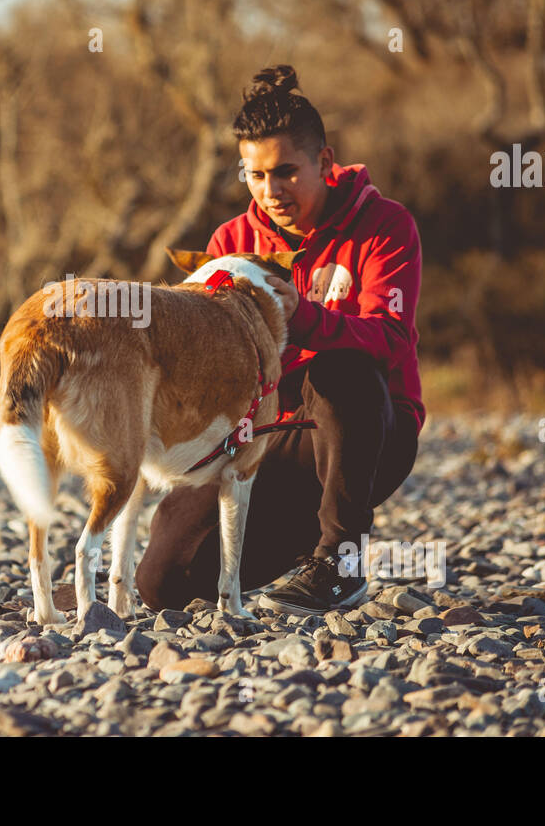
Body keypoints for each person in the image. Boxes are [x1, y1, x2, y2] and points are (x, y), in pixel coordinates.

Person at [135, 65, 425, 617]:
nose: (271, 191)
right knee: (164, 586)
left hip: (371, 429)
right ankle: (296, 552)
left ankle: (341, 564)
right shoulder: (230, 242)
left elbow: (389, 340)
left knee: (343, 367)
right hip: (264, 437)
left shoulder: (387, 225)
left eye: (286, 171)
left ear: (325, 161)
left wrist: (303, 319)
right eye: (255, 174)